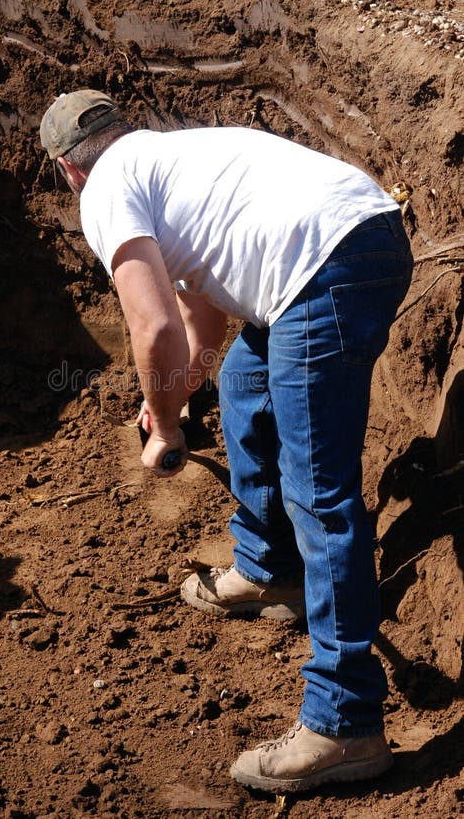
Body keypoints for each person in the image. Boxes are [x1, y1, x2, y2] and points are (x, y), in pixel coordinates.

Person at [39, 89, 413, 794]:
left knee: (318, 493)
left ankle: (345, 724)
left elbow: (151, 331)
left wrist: (167, 423)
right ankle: (269, 569)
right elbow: (201, 331)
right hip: (363, 238)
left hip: (321, 271)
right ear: (124, 129)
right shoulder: (174, 160)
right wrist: (173, 400)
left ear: (69, 170)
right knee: (245, 381)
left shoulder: (105, 190)